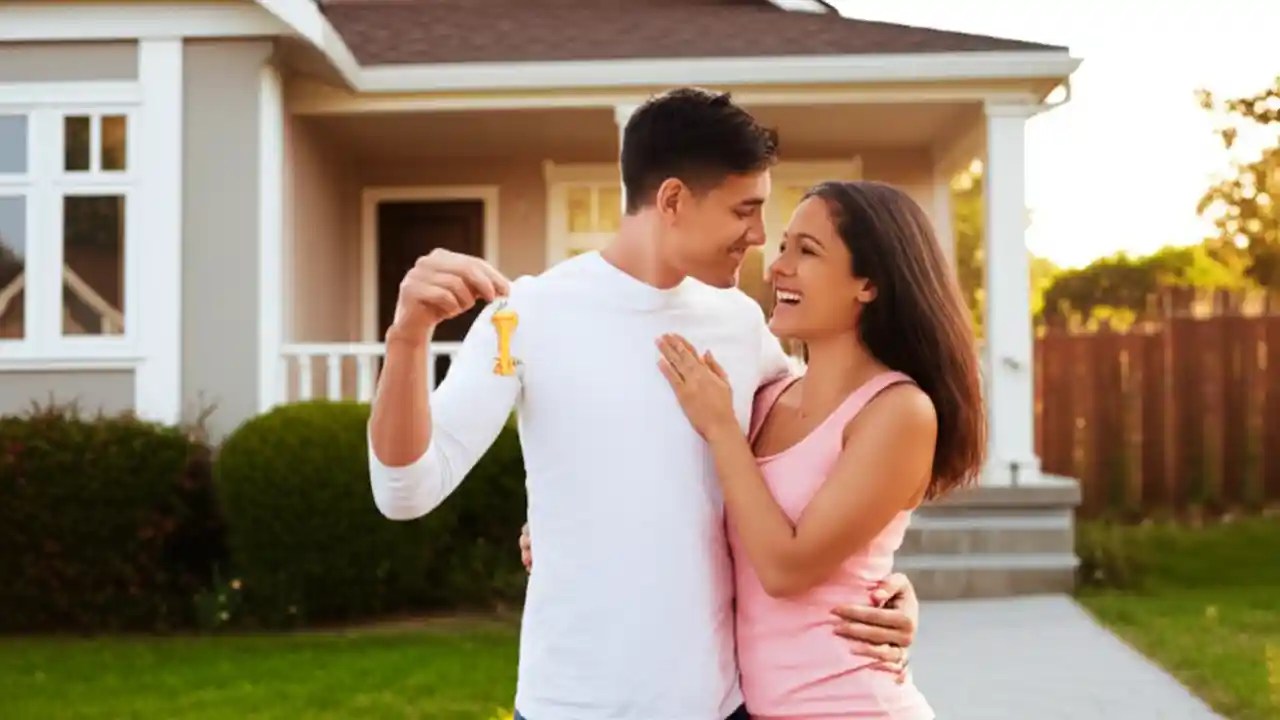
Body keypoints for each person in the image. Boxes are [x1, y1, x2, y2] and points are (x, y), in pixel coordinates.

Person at [367, 88, 921, 720]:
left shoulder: (742, 325)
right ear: (674, 201)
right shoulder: (526, 315)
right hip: (568, 706)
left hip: (721, 708)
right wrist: (408, 337)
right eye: (746, 209)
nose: (761, 238)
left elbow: (823, 465)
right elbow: (403, 491)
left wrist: (887, 589)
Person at [654, 180, 986, 718]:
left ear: (869, 284)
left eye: (806, 251)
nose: (776, 267)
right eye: (783, 246)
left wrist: (721, 430)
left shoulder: (899, 411)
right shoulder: (766, 394)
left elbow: (785, 571)